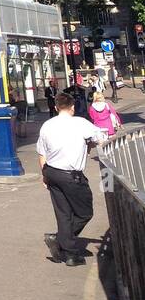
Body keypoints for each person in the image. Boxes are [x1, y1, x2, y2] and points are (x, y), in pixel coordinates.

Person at [36, 91, 106, 266]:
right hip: (71, 176)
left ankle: (70, 254)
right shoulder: (80, 124)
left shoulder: (47, 125)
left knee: (64, 213)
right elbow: (101, 138)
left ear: (56, 107)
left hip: (52, 172)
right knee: (84, 212)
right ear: (73, 107)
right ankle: (60, 240)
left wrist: (44, 175)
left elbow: (42, 153)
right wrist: (89, 143)